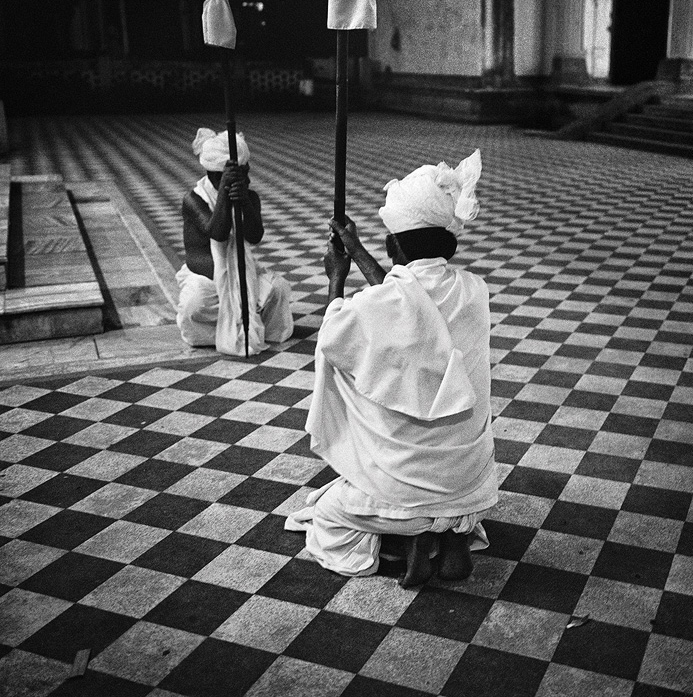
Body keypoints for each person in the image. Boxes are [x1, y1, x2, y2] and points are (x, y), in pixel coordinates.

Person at [286, 149, 498, 587]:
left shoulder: (380, 305)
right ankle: (450, 538)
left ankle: (398, 552)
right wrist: (359, 250)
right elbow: (412, 303)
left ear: (395, 245)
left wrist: (336, 276)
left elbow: (334, 337)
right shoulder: (474, 292)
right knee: (449, 485)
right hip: (471, 489)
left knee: (324, 516)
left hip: (406, 493)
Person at [175, 128, 293, 356]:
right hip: (205, 278)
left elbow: (254, 236)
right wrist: (225, 196)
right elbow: (217, 232)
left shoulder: (251, 196)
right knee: (195, 305)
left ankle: (241, 323)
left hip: (243, 272)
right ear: (216, 176)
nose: (247, 180)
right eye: (241, 175)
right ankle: (224, 328)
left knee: (277, 291)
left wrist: (244, 202)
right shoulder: (193, 200)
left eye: (247, 173)